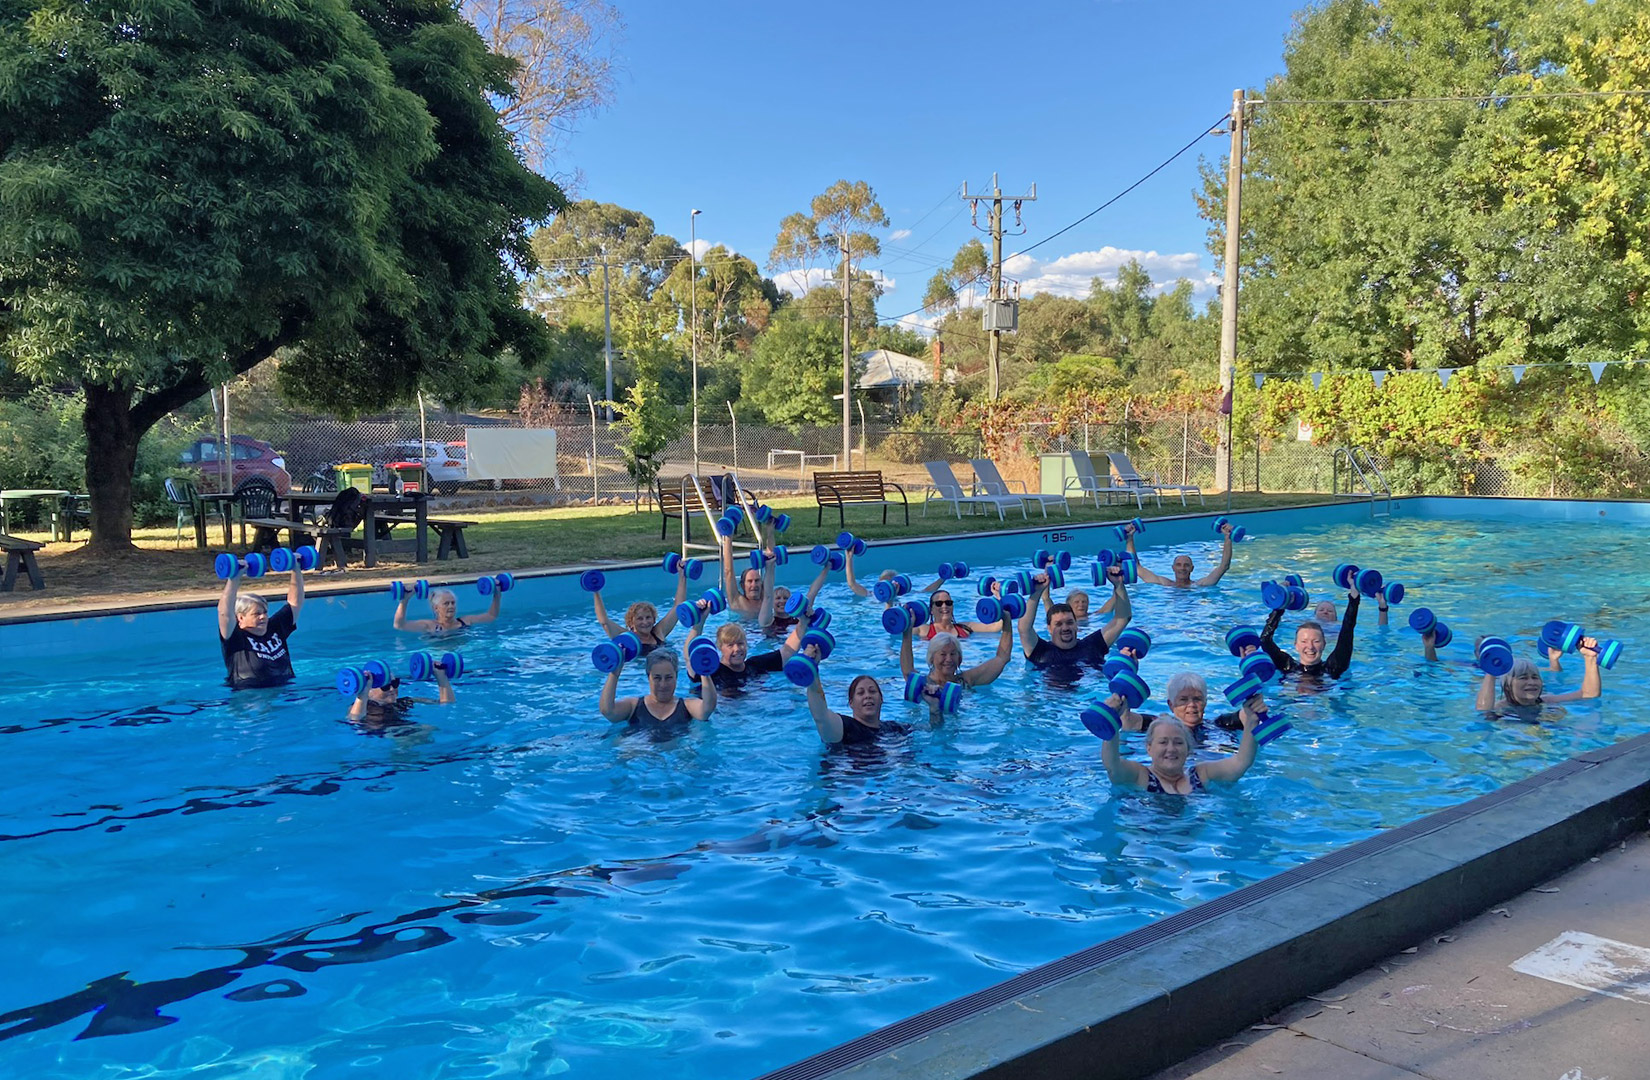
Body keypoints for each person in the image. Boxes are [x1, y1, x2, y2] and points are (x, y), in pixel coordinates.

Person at [1099, 706, 1263, 795]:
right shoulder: (1140, 776)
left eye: (1178, 742)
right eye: (1163, 742)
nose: (1171, 749)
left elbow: (1242, 762)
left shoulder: (1201, 774)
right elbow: (1112, 765)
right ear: (1149, 748)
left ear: (1188, 749)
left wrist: (1251, 722)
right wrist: (1111, 721)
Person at [1019, 564, 1132, 670]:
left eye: (1069, 622)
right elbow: (1024, 629)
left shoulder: (1093, 645)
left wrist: (1119, 585)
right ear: (1049, 628)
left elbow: (1122, 619)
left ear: (1076, 624)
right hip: (1052, 691)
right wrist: (1036, 593)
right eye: (1058, 624)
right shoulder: (1040, 651)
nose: (1065, 628)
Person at [899, 610, 1015, 710]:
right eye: (943, 654)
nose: (949, 659)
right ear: (932, 658)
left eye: (953, 654)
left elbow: (1002, 658)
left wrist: (1007, 620)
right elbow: (907, 670)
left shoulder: (966, 680)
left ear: (959, 659)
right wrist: (907, 632)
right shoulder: (924, 684)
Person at [218, 559, 304, 689]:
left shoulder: (274, 628)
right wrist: (234, 579)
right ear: (240, 618)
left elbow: (294, 603)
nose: (263, 616)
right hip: (249, 697)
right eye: (256, 614)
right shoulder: (235, 638)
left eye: (265, 612)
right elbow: (224, 612)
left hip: (286, 693)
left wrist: (296, 568)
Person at [796, 651, 906, 745]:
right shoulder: (845, 729)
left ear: (881, 699)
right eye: (860, 693)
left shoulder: (893, 729)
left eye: (872, 691)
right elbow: (820, 716)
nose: (867, 696)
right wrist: (813, 671)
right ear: (851, 703)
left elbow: (921, 729)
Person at [1259, 582, 1360, 680]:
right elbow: (1264, 640)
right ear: (1296, 645)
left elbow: (1347, 631)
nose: (1310, 647)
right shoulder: (1287, 666)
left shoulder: (1333, 668)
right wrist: (1280, 605)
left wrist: (1354, 597)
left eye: (1316, 641)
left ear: (1324, 644)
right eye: (1304, 641)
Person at [598, 646, 717, 725]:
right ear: (648, 677)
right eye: (657, 678)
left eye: (669, 678)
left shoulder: (687, 706)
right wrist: (614, 674)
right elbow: (608, 711)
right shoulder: (633, 706)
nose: (663, 684)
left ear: (676, 677)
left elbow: (707, 709)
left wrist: (704, 672)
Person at [1472, 641, 1602, 712]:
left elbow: (1589, 694)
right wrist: (1491, 671)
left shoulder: (1547, 701)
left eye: (1535, 677)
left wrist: (1590, 658)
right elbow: (1483, 710)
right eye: (1523, 678)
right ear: (1507, 685)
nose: (1531, 682)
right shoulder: (1502, 708)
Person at [592, 562, 692, 654]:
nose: (645, 622)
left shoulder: (658, 632)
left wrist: (682, 575)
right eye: (640, 618)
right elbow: (604, 621)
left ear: (654, 620)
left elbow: (679, 606)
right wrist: (596, 591)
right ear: (631, 623)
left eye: (648, 617)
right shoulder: (626, 638)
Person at [1119, 671, 1245, 739]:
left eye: (1197, 699)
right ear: (1171, 704)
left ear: (1205, 703)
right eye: (1183, 700)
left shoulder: (1220, 725)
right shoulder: (1157, 725)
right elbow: (1125, 719)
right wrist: (1128, 674)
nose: (1191, 705)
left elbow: (1249, 713)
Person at [1124, 520, 1234, 588]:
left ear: (1192, 568)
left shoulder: (1200, 585)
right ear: (1173, 568)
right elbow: (1136, 567)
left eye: (1186, 565)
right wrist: (1129, 538)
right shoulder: (1165, 584)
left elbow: (1224, 566)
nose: (1182, 568)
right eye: (1179, 565)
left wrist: (1227, 538)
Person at [346, 665, 455, 733]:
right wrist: (362, 694)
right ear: (369, 690)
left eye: (395, 683)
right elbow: (355, 719)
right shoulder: (363, 706)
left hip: (402, 730)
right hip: (380, 733)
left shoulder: (404, 702)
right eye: (386, 686)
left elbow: (446, 704)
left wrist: (441, 677)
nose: (393, 689)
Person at [394, 585, 501, 634]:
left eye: (453, 603)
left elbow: (491, 616)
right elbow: (399, 625)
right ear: (436, 608)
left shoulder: (466, 621)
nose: (451, 606)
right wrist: (404, 601)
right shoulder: (429, 625)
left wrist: (497, 594)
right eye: (446, 603)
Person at [720, 535, 778, 622]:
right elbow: (728, 572)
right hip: (744, 633)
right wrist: (728, 537)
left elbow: (771, 561)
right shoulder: (737, 602)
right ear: (743, 585)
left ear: (762, 583)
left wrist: (770, 530)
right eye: (750, 581)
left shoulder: (766, 600)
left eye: (757, 581)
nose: (754, 585)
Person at [921, 587, 999, 639]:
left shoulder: (966, 628)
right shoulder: (924, 630)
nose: (944, 606)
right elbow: (909, 628)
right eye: (939, 603)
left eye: (948, 603)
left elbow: (995, 628)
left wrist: (999, 597)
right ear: (931, 610)